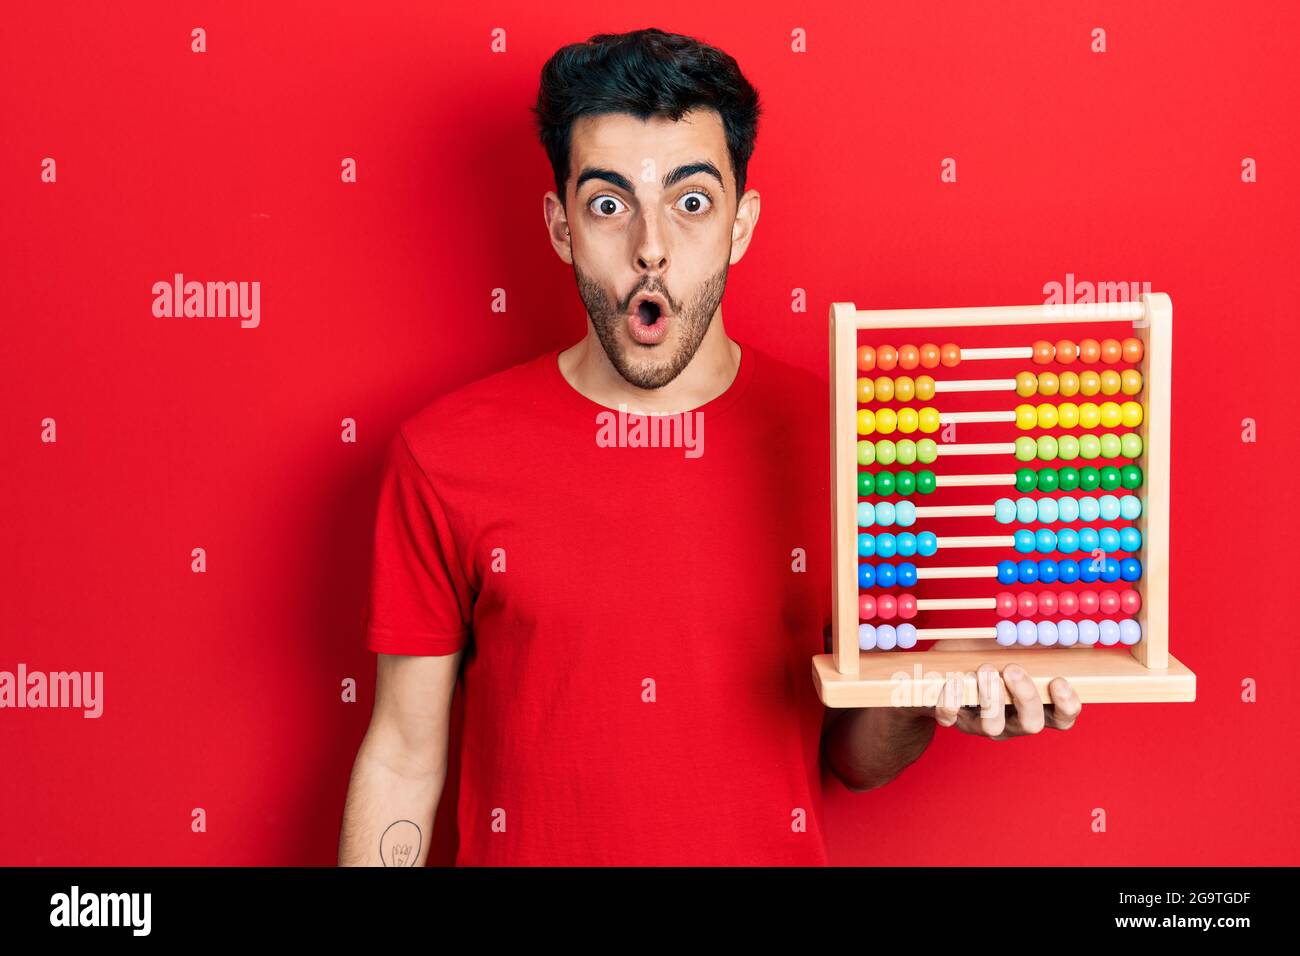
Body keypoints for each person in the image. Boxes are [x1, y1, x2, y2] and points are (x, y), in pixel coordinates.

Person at [337, 27, 1081, 868]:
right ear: (559, 225)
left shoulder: (843, 442)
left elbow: (852, 759)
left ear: (742, 222)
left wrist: (931, 700)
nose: (650, 247)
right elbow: (402, 757)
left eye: (691, 202)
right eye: (609, 204)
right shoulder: (444, 457)